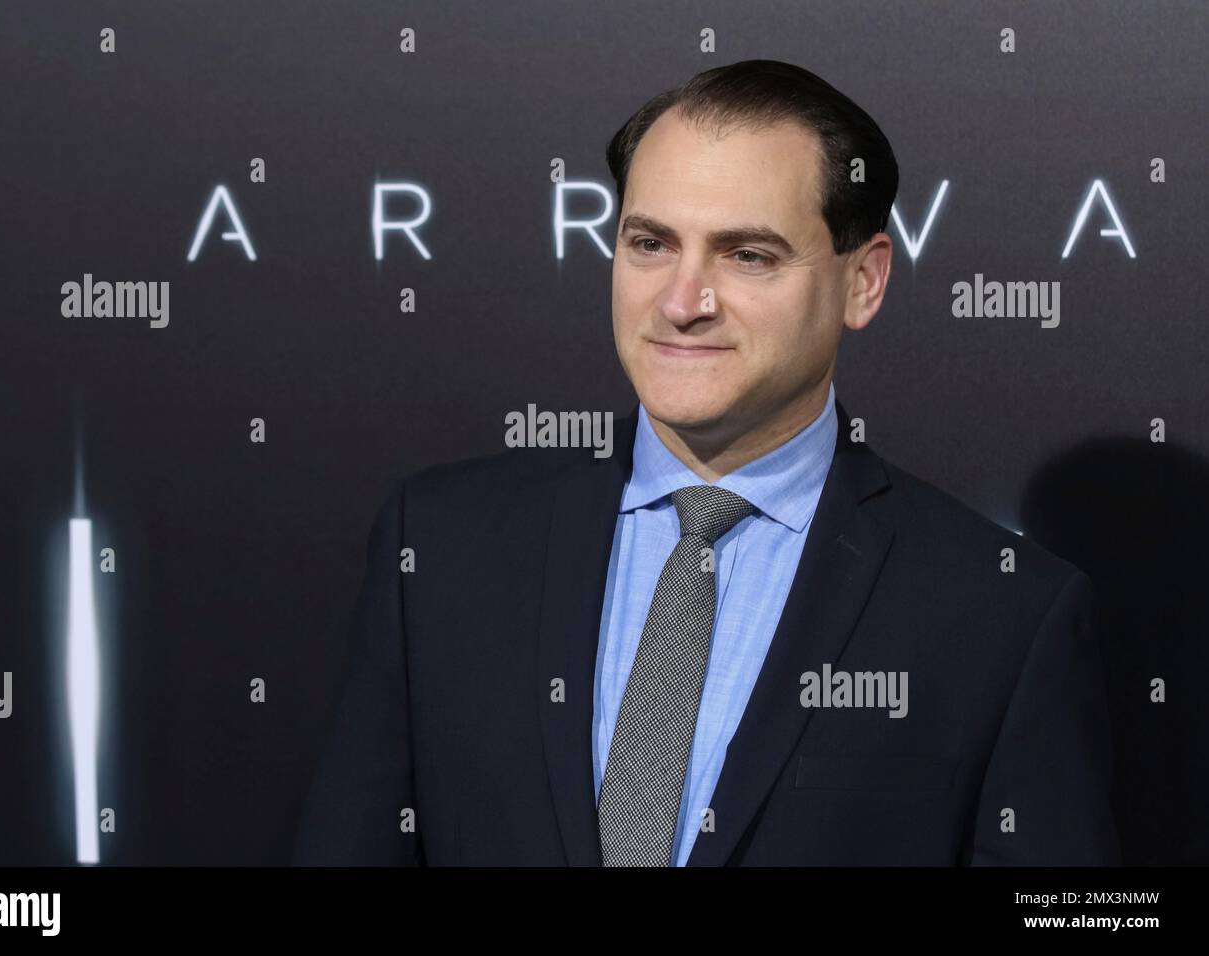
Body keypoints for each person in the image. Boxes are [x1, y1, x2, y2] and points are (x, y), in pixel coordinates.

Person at [293, 59, 1121, 866]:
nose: (682, 302)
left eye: (747, 255)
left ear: (862, 282)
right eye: (650, 242)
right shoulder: (439, 549)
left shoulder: (1003, 616)